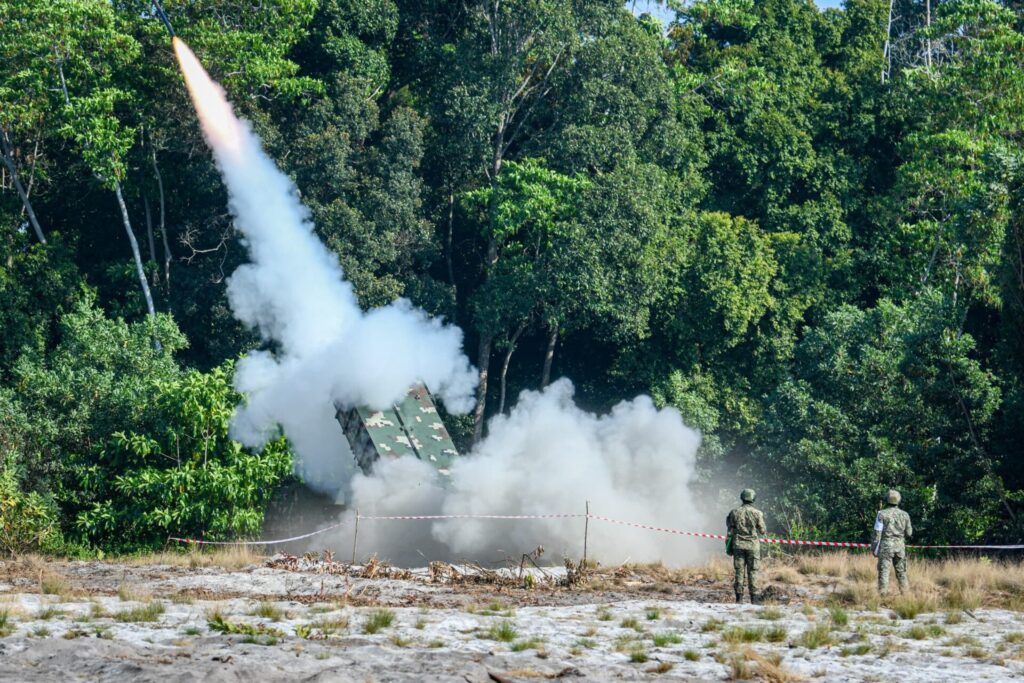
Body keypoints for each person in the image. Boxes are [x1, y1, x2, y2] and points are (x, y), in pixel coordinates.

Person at [726, 488, 767, 604]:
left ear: (742, 497)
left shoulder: (734, 512)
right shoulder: (758, 513)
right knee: (753, 571)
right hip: (753, 546)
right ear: (753, 498)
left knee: (739, 572)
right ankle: (754, 599)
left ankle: (739, 599)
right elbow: (763, 530)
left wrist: (728, 546)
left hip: (738, 545)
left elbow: (729, 529)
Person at [872, 489, 913, 595]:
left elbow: (877, 533)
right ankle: (906, 595)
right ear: (899, 500)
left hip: (886, 546)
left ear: (887, 499)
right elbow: (909, 533)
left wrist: (874, 548)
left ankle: (882, 596)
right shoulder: (905, 515)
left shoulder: (881, 514)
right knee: (901, 573)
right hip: (900, 547)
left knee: (884, 572)